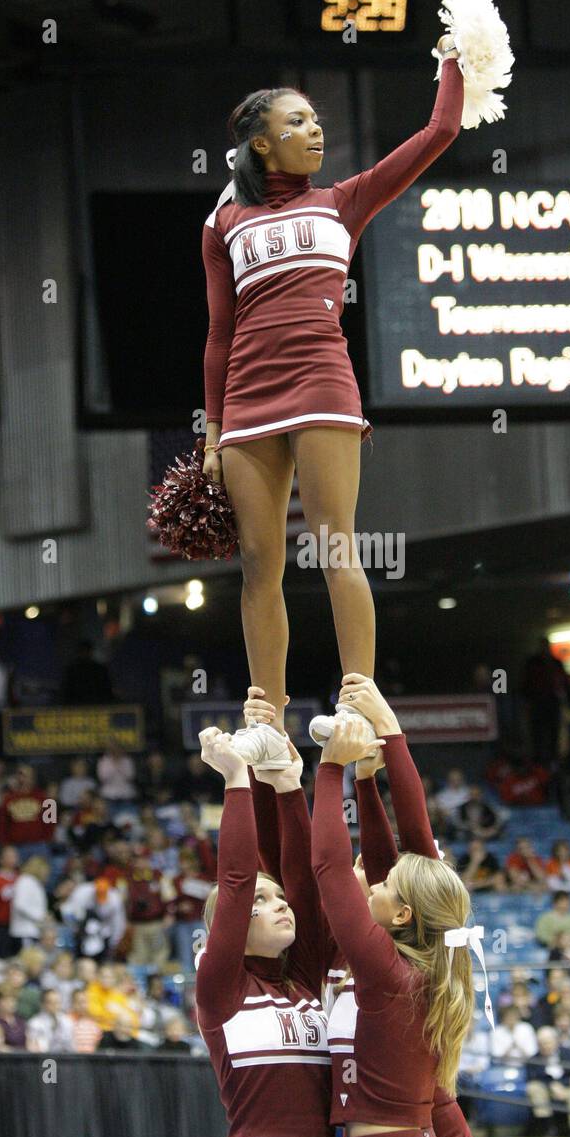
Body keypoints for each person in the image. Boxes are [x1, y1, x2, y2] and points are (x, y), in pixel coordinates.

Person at [199, 38, 465, 771]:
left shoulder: (344, 200)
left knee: (336, 545)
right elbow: (220, 330)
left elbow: (439, 132)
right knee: (259, 561)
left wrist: (452, 59)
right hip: (249, 392)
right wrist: (213, 429)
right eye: (298, 122)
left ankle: (359, 697)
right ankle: (267, 717)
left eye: (318, 120)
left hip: (321, 382)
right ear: (261, 143)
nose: (316, 131)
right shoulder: (224, 224)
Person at [304, 673, 494, 1137]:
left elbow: (329, 867)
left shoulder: (388, 970)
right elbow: (412, 855)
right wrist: (371, 770)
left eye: (385, 884)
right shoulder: (416, 960)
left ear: (404, 913)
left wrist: (332, 767)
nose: (377, 871)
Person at [195, 725, 337, 1137]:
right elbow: (234, 880)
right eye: (263, 899)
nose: (281, 904)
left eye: (278, 898)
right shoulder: (220, 989)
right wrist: (236, 778)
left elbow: (304, 880)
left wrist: (290, 786)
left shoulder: (302, 981)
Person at [521, 637, 570, 767]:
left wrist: (569, 700)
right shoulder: (533, 663)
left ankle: (552, 757)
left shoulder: (555, 663)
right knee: (538, 732)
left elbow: (566, 683)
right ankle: (540, 758)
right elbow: (525, 683)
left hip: (550, 702)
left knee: (552, 731)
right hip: (538, 702)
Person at [0, 765, 53, 861]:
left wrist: (46, 839)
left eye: (28, 775)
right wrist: (5, 844)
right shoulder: (8, 798)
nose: (25, 778)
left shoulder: (43, 796)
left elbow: (51, 820)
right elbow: (2, 822)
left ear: (33, 778)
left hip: (39, 845)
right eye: (22, 775)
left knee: (40, 873)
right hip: (16, 846)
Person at [8, 857, 50, 950]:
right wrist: (40, 916)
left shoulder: (34, 883)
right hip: (24, 931)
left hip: (33, 931)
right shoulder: (25, 881)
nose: (46, 873)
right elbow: (19, 904)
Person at [61, 641, 114, 705]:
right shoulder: (71, 671)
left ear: (91, 652)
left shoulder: (99, 669)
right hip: (76, 708)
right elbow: (65, 692)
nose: (84, 654)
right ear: (78, 653)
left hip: (97, 707)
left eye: (86, 651)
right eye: (82, 651)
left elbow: (107, 690)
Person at [26, 988, 75, 1053]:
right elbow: (33, 1049)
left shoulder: (67, 1021)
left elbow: (71, 1046)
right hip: (42, 1060)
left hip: (64, 1059)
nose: (55, 1005)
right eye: (51, 1002)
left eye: (57, 1002)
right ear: (42, 1004)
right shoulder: (34, 1023)